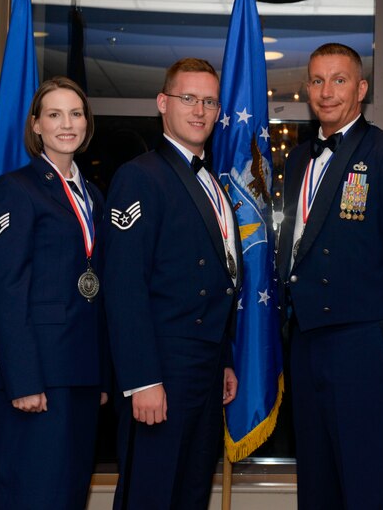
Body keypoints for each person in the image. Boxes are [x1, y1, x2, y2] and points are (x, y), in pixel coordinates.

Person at [277, 42, 383, 510]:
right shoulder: (298, 160)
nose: (326, 92)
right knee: (317, 482)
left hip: (365, 343)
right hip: (306, 342)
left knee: (371, 483)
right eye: (317, 80)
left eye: (339, 80)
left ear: (362, 89)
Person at [103, 58, 240, 510]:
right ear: (163, 103)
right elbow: (124, 286)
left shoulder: (215, 184)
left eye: (209, 101)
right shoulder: (139, 177)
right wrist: (142, 379)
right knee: (151, 494)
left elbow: (220, 282)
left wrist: (223, 360)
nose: (199, 110)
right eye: (188, 99)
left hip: (202, 369)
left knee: (191, 493)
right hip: (160, 368)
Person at [0, 77, 108, 510]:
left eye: (75, 113)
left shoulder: (93, 194)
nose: (66, 124)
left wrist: (101, 376)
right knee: (31, 496)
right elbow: (5, 288)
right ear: (36, 125)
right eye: (54, 114)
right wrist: (23, 379)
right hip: (38, 377)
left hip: (80, 375)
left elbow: (98, 291)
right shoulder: (16, 188)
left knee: (68, 495)